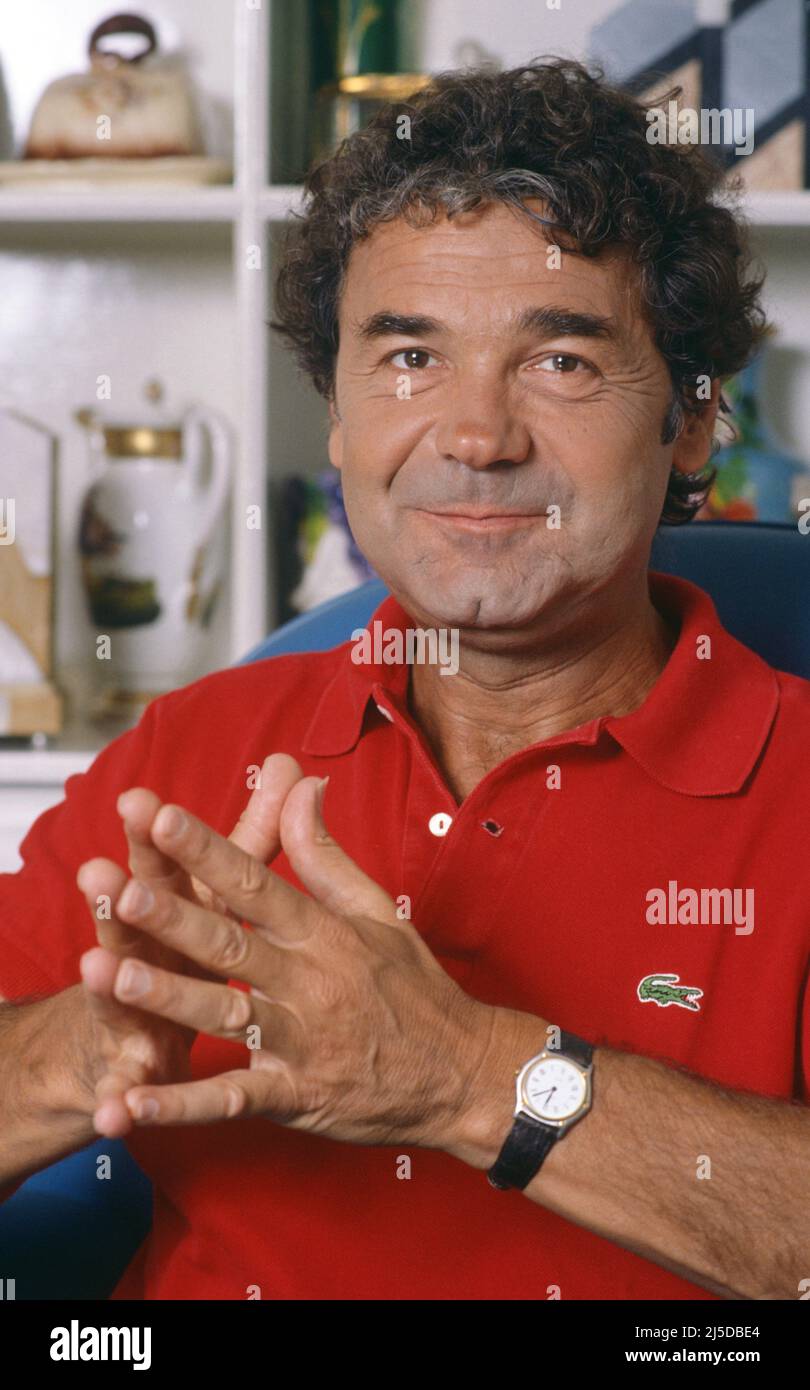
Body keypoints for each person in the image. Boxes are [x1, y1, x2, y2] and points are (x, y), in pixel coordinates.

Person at [1, 58, 809, 1302]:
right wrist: (96, 1044)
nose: (476, 438)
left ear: (694, 419)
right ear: (338, 413)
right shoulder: (195, 752)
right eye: (410, 358)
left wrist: (460, 1072)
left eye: (563, 362)